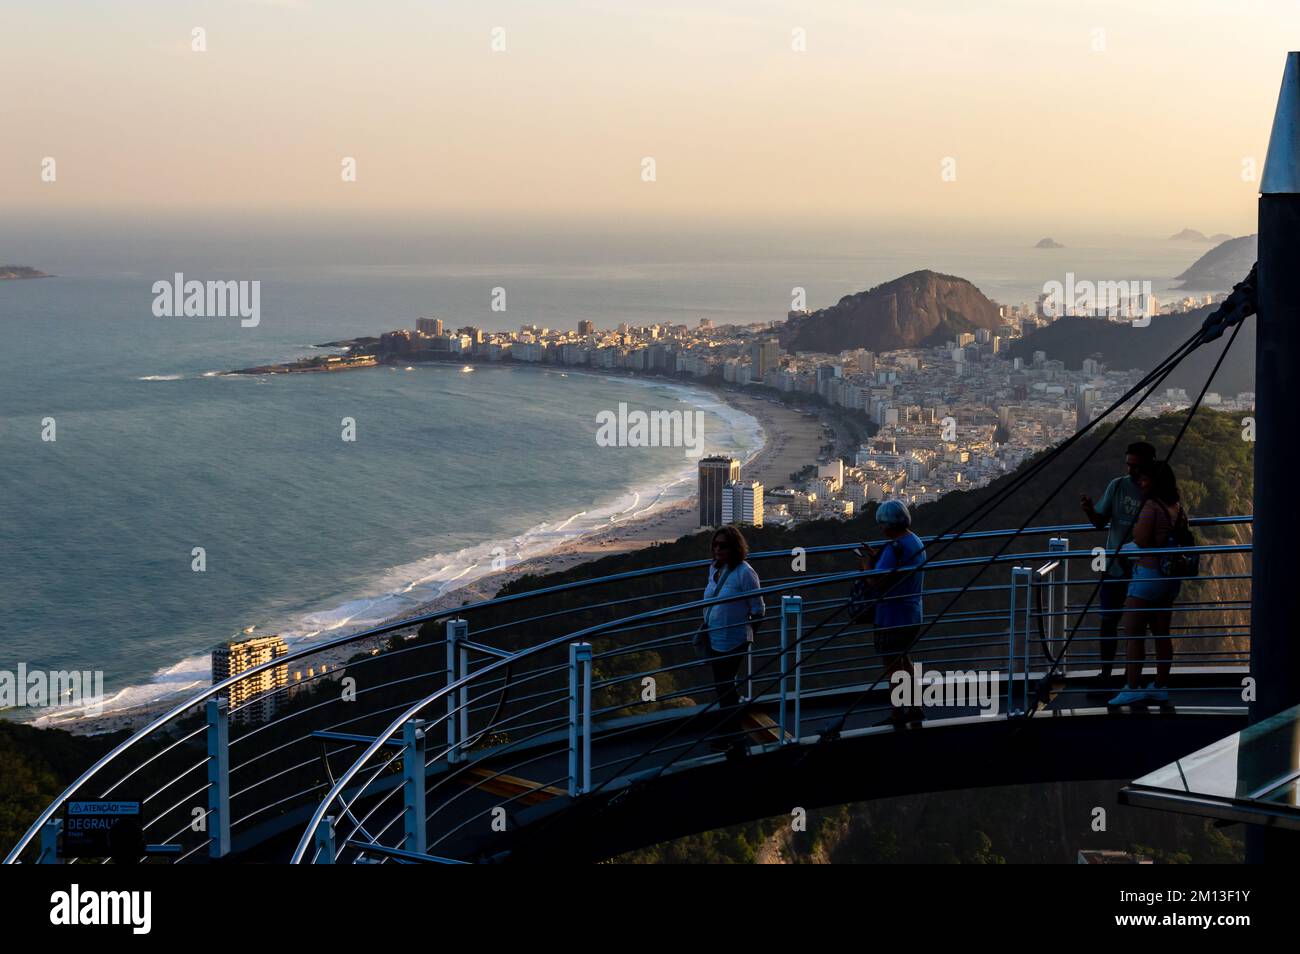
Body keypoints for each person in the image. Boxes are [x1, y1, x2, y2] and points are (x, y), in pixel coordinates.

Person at [1080, 441, 1156, 695]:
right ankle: (1106, 673)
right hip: (1114, 566)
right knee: (1109, 622)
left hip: (1142, 569)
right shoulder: (1118, 485)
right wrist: (1091, 511)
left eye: (1136, 466)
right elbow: (1101, 522)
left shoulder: (1155, 491)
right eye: (1128, 465)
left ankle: (1130, 676)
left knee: (1135, 625)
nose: (1131, 470)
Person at [1108, 460, 1186, 706]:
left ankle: (1132, 687)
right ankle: (1160, 686)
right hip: (1169, 579)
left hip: (1147, 576)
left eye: (1144, 479)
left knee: (1134, 634)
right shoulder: (1176, 506)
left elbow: (1140, 539)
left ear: (1155, 482)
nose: (1139, 483)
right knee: (1162, 634)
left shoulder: (1151, 506)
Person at [857, 499, 927, 725]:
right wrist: (880, 555)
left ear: (888, 525)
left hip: (891, 616)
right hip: (912, 612)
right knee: (905, 661)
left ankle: (897, 714)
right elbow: (897, 567)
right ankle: (915, 707)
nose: (880, 528)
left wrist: (867, 563)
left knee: (893, 666)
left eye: (881, 524)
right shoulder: (914, 541)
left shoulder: (893, 548)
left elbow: (874, 582)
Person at [699, 525, 764, 754]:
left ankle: (733, 735)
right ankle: (730, 733)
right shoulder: (714, 568)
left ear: (735, 547)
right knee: (723, 687)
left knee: (726, 687)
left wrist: (748, 634)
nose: (717, 549)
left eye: (723, 545)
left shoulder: (745, 572)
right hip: (715, 637)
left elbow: (758, 608)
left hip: (735, 639)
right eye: (715, 545)